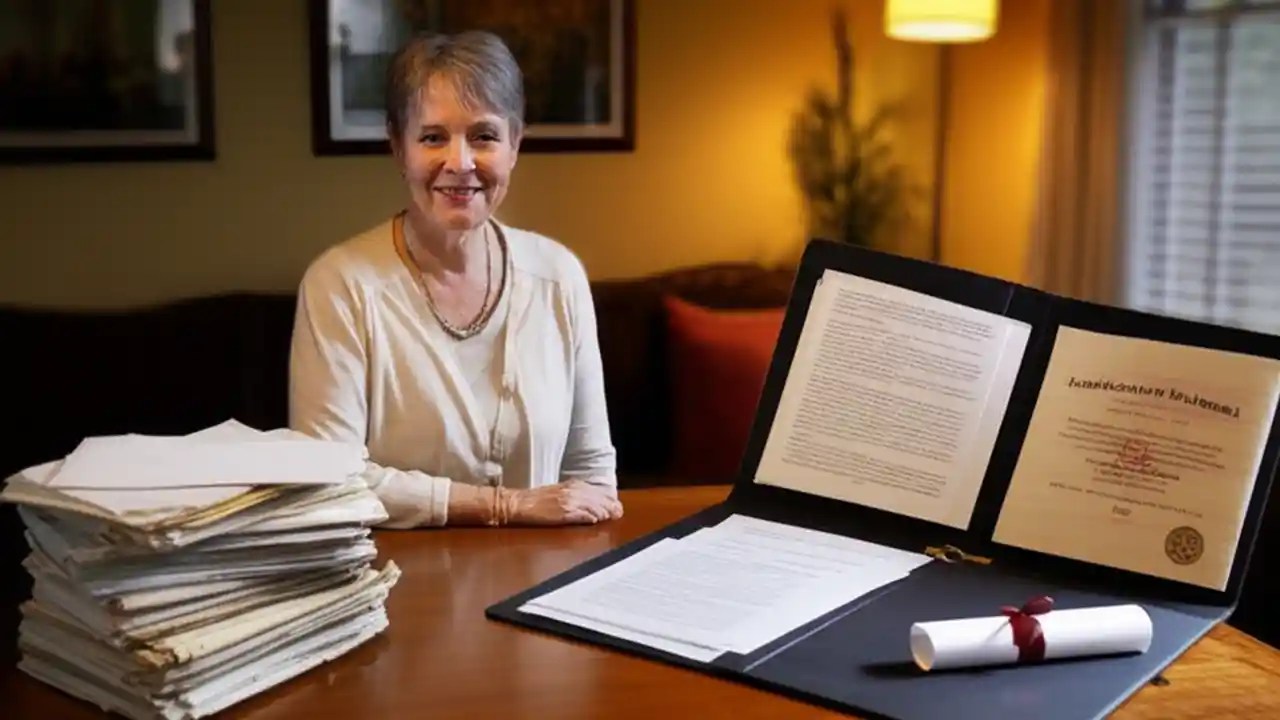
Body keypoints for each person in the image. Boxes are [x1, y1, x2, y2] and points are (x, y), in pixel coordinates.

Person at [288, 31, 622, 529]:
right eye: (433, 137)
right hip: (393, 572)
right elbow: (329, 479)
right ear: (398, 148)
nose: (460, 163)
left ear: (514, 145)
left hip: (546, 570)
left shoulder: (559, 277)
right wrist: (504, 505)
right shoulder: (339, 286)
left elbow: (593, 477)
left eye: (484, 136)